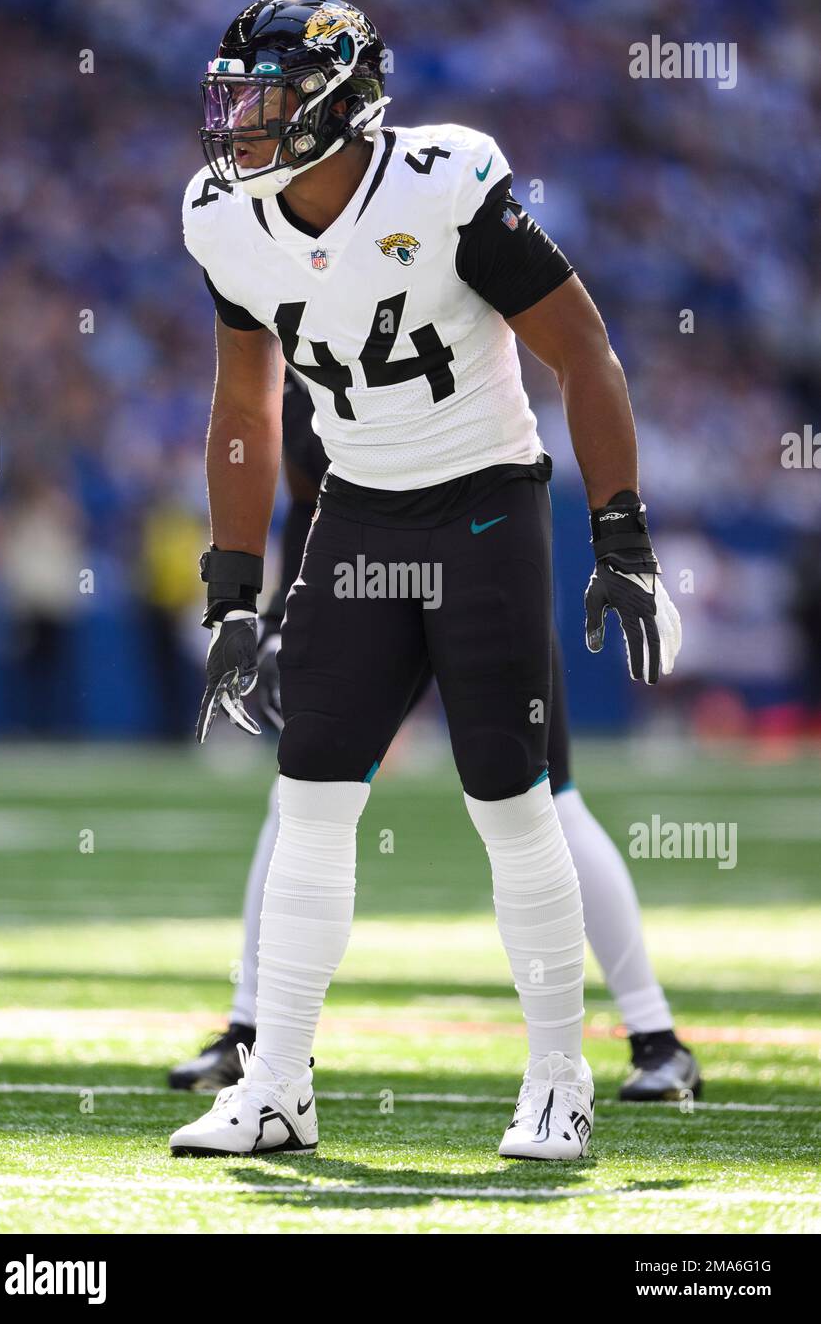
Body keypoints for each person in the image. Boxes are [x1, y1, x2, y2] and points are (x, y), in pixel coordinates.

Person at [169, 0, 682, 1161]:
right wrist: (234, 588)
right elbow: (242, 404)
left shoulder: (443, 183)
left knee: (511, 799)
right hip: (355, 513)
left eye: (264, 99)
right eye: (231, 96)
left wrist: (618, 531)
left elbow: (581, 351)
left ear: (339, 106)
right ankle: (278, 1082)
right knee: (309, 796)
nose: (236, 121)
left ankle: (559, 1076)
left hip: (484, 508)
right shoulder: (220, 217)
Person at [169, 374, 700, 1105]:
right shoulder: (295, 335)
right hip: (363, 577)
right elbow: (301, 497)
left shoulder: (422, 289)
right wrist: (275, 610)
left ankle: (654, 1034)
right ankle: (253, 1034)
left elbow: (560, 370)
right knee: (303, 802)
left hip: (476, 557)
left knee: (543, 801)